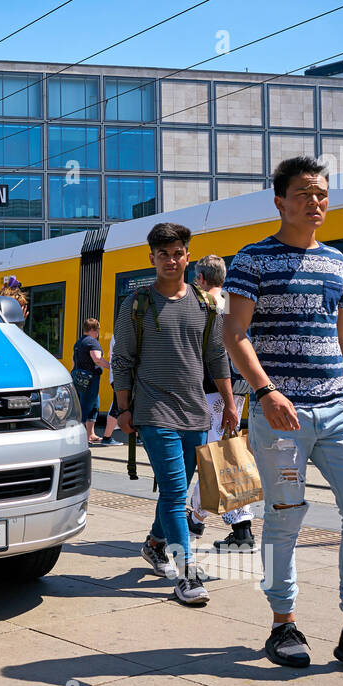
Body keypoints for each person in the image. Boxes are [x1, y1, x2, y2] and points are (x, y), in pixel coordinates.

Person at [224, 155, 343, 679]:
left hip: (337, 409)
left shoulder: (335, 262)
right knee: (286, 517)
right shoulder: (252, 260)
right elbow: (234, 333)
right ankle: (284, 624)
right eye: (304, 193)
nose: (315, 202)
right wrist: (265, 393)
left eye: (322, 193)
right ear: (280, 201)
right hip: (280, 412)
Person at [113, 223, 238, 606]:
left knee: (177, 488)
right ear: (151, 258)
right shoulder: (137, 303)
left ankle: (154, 543)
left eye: (177, 253)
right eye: (163, 254)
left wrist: (230, 403)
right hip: (155, 411)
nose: (171, 259)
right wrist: (122, 408)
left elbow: (216, 356)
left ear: (188, 257)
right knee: (172, 492)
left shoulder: (204, 303)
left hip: (196, 412)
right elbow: (122, 359)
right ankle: (186, 572)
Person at [186, 254, 260, 551]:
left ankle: (241, 529)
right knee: (220, 451)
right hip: (237, 388)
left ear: (201, 278)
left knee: (219, 455)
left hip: (210, 388)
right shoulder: (232, 302)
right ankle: (197, 517)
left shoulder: (199, 304)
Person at [71, 319, 106, 444]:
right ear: (92, 330)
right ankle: (78, 438)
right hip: (90, 379)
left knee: (94, 405)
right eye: (97, 330)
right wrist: (111, 366)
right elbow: (97, 359)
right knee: (86, 407)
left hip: (78, 377)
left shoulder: (78, 342)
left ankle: (90, 434)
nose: (97, 333)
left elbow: (73, 362)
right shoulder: (92, 342)